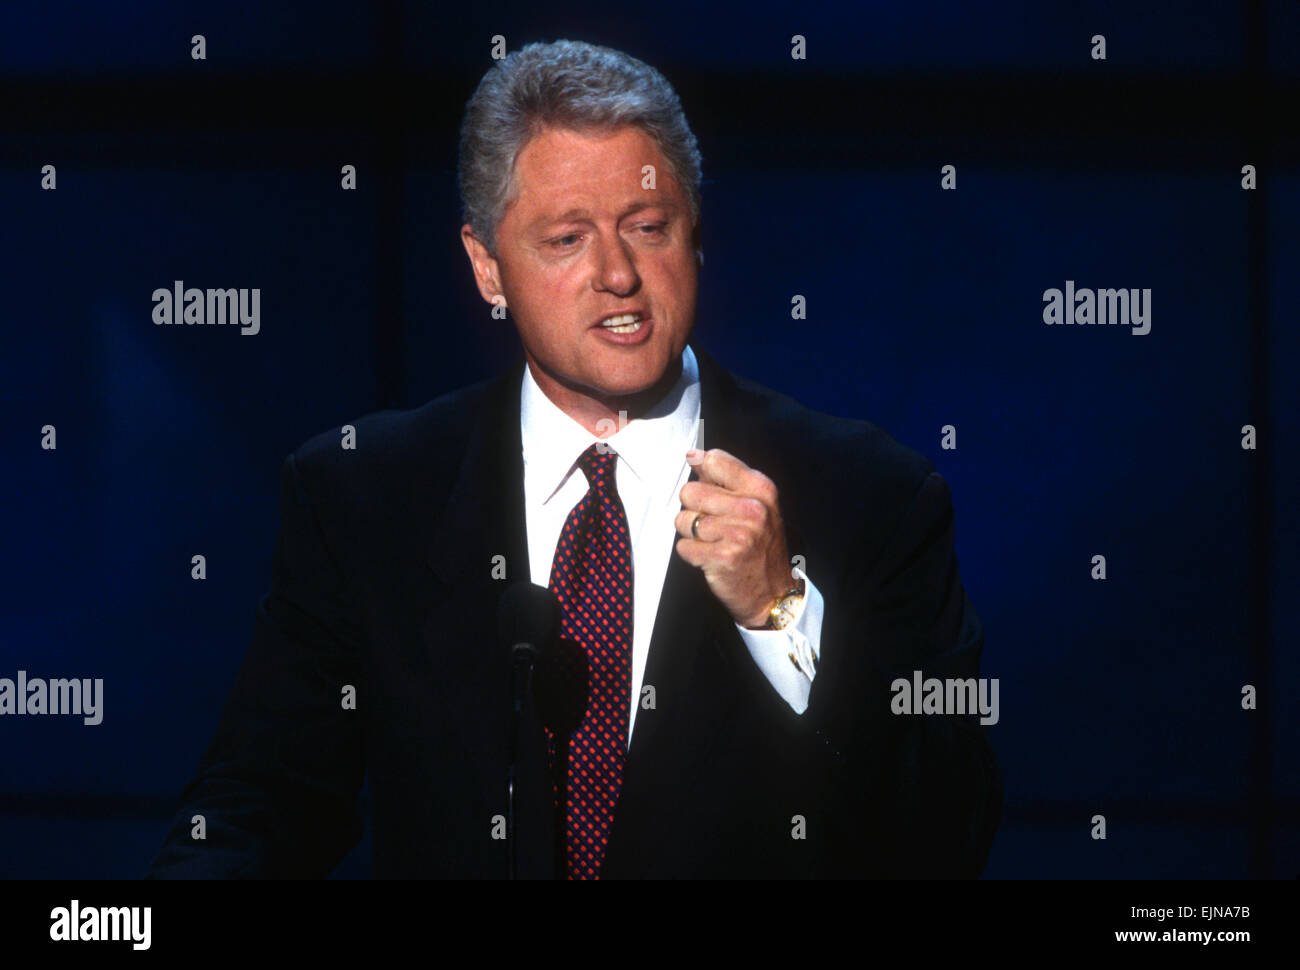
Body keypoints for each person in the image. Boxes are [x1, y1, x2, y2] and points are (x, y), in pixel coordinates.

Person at [147, 39, 1000, 879]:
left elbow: (946, 833)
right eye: (566, 239)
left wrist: (780, 613)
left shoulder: (870, 497)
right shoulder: (364, 496)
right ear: (487, 268)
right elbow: (259, 805)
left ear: (695, 236)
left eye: (648, 227)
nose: (618, 274)